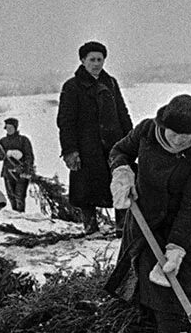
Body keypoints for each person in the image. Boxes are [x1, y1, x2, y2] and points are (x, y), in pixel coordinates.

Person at [104, 94, 191, 333]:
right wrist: (122, 173)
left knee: (173, 281)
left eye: (186, 136)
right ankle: (142, 327)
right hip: (144, 214)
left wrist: (176, 247)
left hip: (178, 223)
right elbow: (120, 151)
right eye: (174, 133)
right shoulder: (146, 131)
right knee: (140, 271)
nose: (179, 140)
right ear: (163, 126)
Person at [57, 41, 134, 235]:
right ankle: (91, 228)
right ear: (82, 60)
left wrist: (131, 141)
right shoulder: (72, 86)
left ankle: (122, 228)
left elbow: (122, 113)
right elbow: (65, 122)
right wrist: (70, 150)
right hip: (86, 147)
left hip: (113, 146)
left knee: (120, 183)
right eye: (92, 59)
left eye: (100, 59)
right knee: (86, 189)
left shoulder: (111, 83)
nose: (96, 63)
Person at [0, 117, 35, 212]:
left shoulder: (23, 140)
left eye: (11, 127)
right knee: (11, 196)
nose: (9, 129)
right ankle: (15, 214)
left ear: (15, 128)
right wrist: (6, 154)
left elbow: (29, 156)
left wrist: (26, 169)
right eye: (7, 127)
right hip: (7, 173)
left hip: (21, 173)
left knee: (19, 196)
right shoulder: (3, 141)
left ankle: (20, 214)